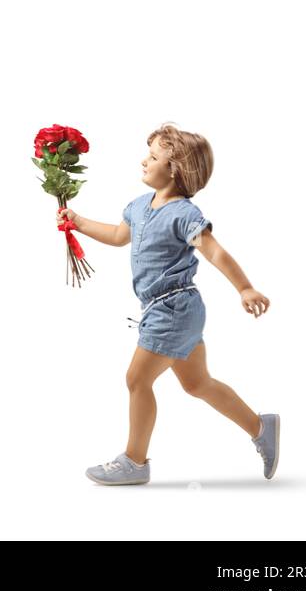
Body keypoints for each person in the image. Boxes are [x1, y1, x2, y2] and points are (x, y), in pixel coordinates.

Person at [57, 123, 278, 485]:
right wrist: (78, 222)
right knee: (198, 384)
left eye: (154, 156)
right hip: (168, 309)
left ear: (174, 168)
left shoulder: (184, 214)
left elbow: (215, 253)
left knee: (136, 379)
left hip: (173, 309)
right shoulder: (140, 205)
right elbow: (117, 236)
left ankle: (135, 461)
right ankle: (260, 426)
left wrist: (245, 288)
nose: (144, 161)